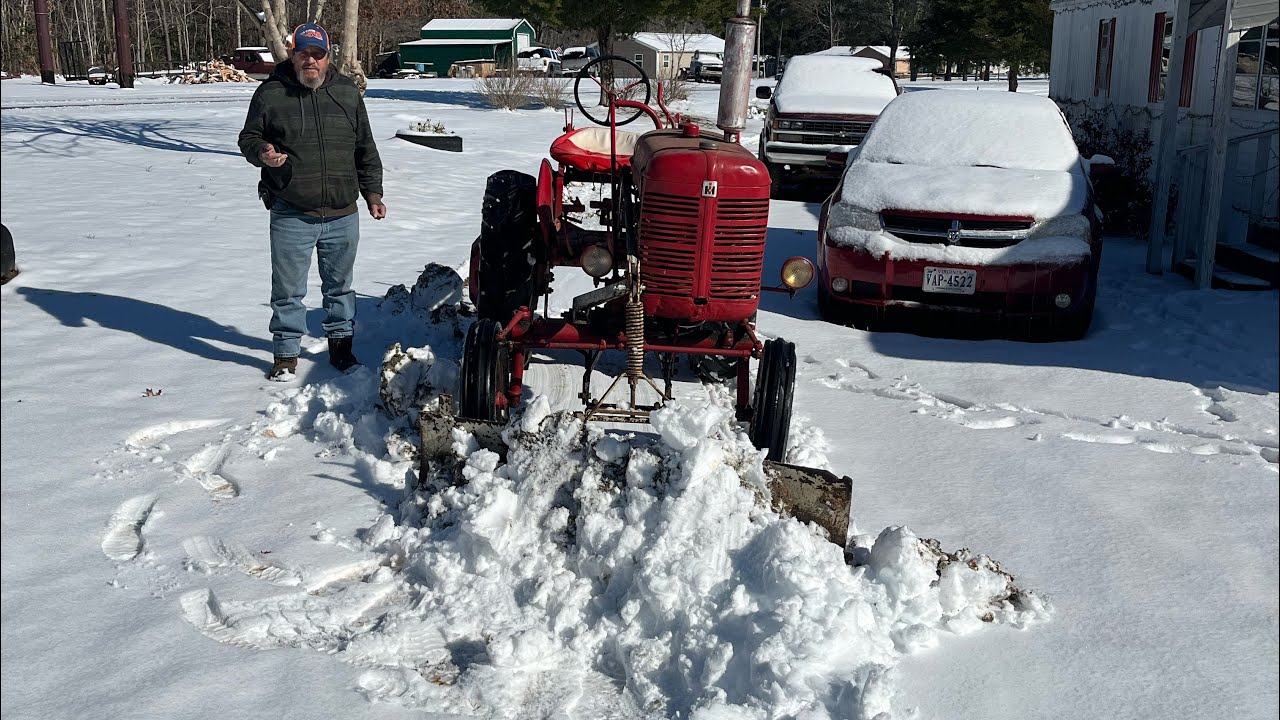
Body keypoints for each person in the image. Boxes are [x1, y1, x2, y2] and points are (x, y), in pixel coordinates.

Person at [238, 22, 386, 381]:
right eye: (303, 53)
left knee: (340, 288)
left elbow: (365, 147)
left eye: (317, 54)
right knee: (288, 291)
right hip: (292, 211)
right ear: (293, 54)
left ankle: (341, 351)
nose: (311, 61)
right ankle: (286, 356)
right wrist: (263, 152)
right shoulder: (271, 93)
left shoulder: (347, 93)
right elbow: (248, 138)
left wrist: (373, 193)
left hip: (342, 213)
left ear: (327, 56)